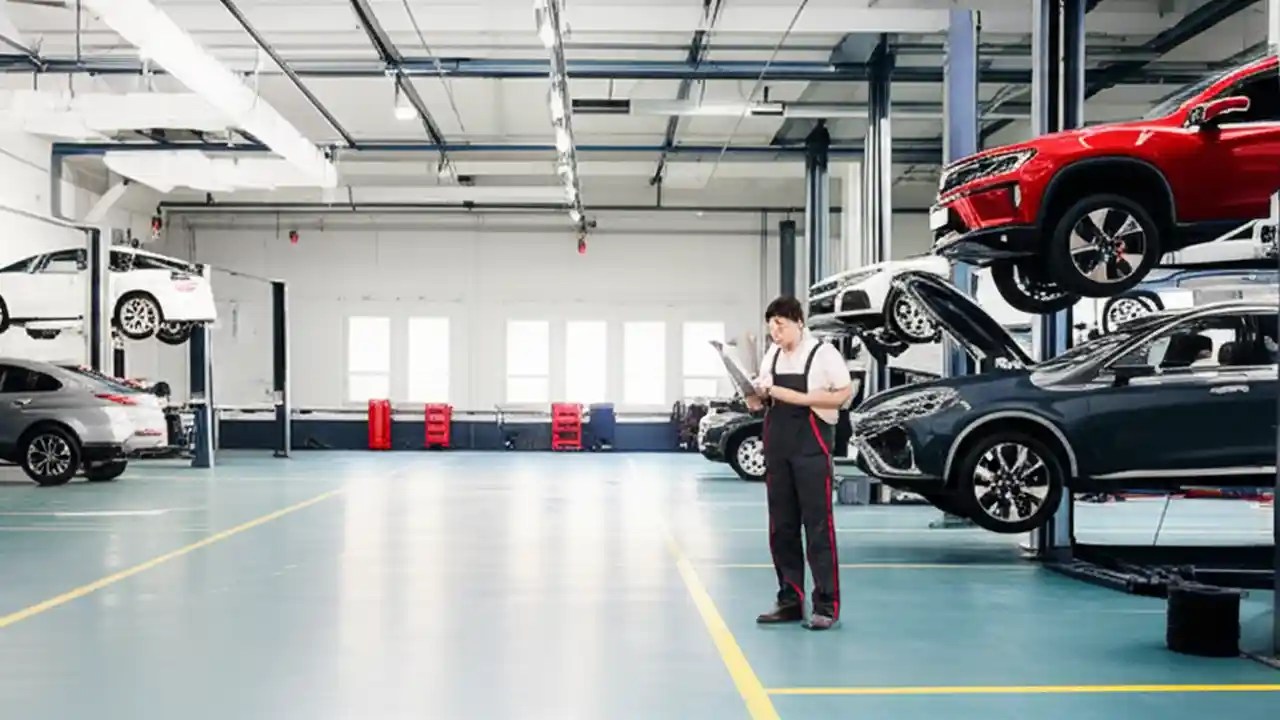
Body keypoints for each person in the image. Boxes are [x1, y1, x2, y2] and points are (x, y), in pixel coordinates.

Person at [746, 295, 854, 630]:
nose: (775, 333)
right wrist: (755, 397)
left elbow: (843, 393)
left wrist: (803, 398)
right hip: (778, 448)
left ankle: (826, 604)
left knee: (818, 527)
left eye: (780, 325)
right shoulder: (772, 356)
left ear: (798, 322)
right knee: (782, 528)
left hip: (811, 448)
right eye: (770, 328)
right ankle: (790, 599)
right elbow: (762, 401)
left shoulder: (823, 354)